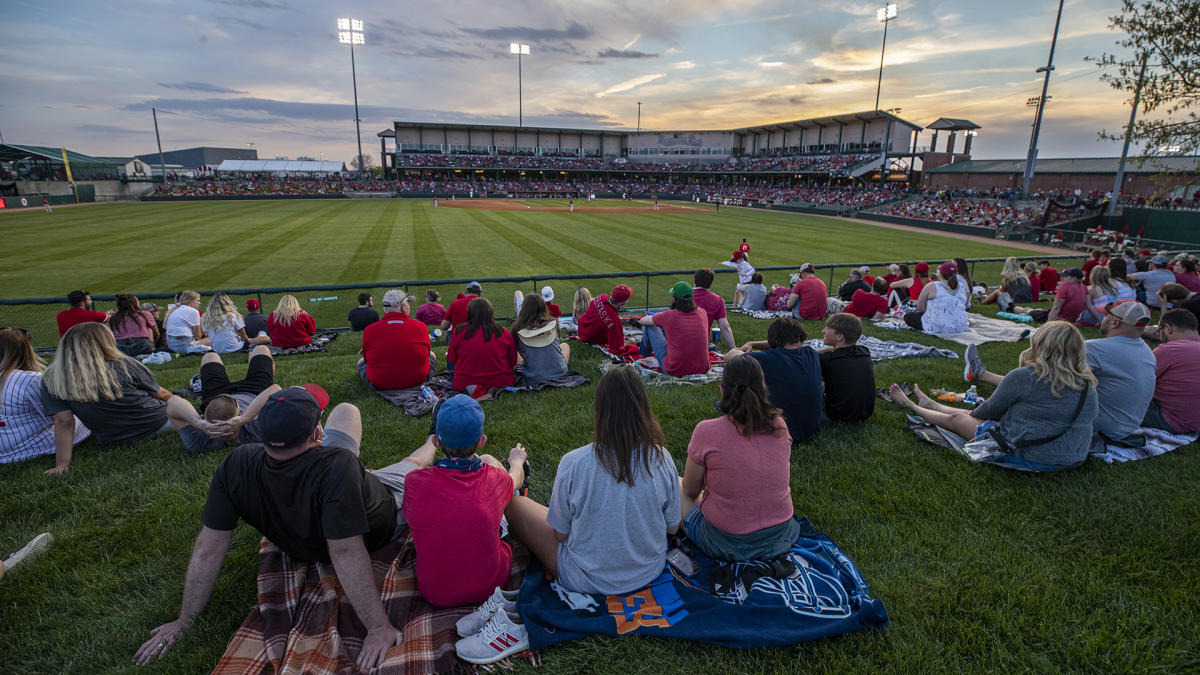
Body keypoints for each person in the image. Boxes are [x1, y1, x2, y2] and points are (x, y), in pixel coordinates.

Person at [134, 390, 439, 671]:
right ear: (317, 434)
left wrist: (185, 621)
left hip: (327, 498)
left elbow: (208, 548)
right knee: (410, 464)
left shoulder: (238, 464)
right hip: (383, 508)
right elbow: (345, 551)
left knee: (346, 411)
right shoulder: (338, 465)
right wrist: (377, 627)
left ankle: (407, 456)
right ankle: (433, 443)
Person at [503, 366, 680, 594]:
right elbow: (672, 526)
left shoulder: (574, 462)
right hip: (648, 572)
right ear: (643, 408)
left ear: (600, 410)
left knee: (516, 504)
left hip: (585, 579)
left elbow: (560, 535)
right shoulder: (661, 458)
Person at [892, 321, 1098, 471]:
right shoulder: (1087, 382)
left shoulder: (1025, 377)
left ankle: (913, 405)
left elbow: (985, 412)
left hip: (1030, 454)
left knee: (960, 419)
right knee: (974, 415)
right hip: (1074, 456)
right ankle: (931, 405)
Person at [403, 395, 526, 607]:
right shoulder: (493, 479)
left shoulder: (414, 483)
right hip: (491, 584)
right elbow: (516, 478)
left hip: (435, 593)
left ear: (436, 441)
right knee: (490, 463)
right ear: (481, 440)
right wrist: (517, 461)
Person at [681, 356, 799, 561]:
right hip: (781, 534)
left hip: (726, 542)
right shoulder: (779, 424)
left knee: (675, 486)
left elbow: (691, 490)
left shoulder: (707, 431)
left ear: (722, 389)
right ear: (763, 388)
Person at [39, 323, 174, 475]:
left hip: (113, 438)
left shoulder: (52, 378)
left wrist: (62, 464)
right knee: (178, 406)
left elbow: (64, 422)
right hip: (158, 423)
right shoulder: (125, 364)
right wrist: (179, 404)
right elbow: (162, 394)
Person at [725, 317, 823, 443]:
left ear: (774, 340)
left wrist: (744, 347)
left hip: (780, 429)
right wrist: (753, 344)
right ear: (800, 336)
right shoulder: (811, 354)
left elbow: (729, 357)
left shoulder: (766, 358)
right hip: (810, 428)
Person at [1, 328, 89, 464]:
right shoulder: (31, 380)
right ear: (27, 350)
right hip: (19, 447)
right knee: (81, 415)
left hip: (6, 442)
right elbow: (60, 419)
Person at [1077, 301, 1155, 450]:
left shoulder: (1094, 348)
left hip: (1101, 429)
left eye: (1106, 315)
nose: (1103, 318)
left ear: (1115, 322)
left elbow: (1058, 381)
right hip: (1127, 427)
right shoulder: (1147, 351)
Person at [359, 290, 434, 391]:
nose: (408, 306)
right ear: (403, 307)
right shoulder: (420, 327)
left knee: (361, 362)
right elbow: (426, 354)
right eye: (407, 302)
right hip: (416, 380)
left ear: (385, 309)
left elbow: (367, 360)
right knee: (432, 355)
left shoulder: (370, 330)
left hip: (380, 382)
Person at [1141, 309, 1200, 434]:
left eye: (1159, 332)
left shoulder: (1169, 350)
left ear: (1168, 328)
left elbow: (1137, 381)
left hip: (1173, 422)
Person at [634, 282, 710, 377]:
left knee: (650, 327)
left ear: (674, 299)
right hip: (702, 368)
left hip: (674, 371)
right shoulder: (702, 312)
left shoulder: (669, 315)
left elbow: (644, 321)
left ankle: (644, 353)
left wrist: (637, 321)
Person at [447, 298, 517, 398]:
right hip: (500, 382)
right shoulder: (503, 332)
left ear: (470, 313)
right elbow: (513, 363)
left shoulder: (459, 332)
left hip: (464, 384)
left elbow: (451, 360)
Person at [816, 313, 875, 423]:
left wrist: (816, 353)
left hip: (837, 415)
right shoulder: (864, 352)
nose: (823, 331)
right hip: (865, 412)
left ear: (840, 337)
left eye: (828, 329)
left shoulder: (827, 360)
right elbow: (833, 351)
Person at [511, 294, 570, 384]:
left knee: (514, 354)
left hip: (533, 375)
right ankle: (557, 366)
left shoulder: (517, 328)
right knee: (565, 346)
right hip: (559, 372)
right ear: (543, 307)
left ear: (524, 309)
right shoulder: (553, 322)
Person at [903, 261, 968, 334]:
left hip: (938, 327)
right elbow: (963, 306)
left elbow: (920, 308)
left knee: (909, 316)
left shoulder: (932, 286)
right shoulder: (962, 286)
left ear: (940, 274)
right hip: (961, 326)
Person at [1010, 268, 1088, 323]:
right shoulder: (1084, 287)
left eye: (1064, 276)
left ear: (1072, 278)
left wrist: (1048, 325)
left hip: (1059, 318)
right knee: (1035, 310)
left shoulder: (1065, 286)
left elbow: (1056, 308)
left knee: (1028, 311)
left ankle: (1011, 307)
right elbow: (1089, 306)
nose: (1060, 278)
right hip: (1071, 320)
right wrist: (1098, 321)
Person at [202, 293, 271, 354]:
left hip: (217, 349)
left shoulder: (206, 318)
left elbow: (207, 335)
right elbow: (244, 338)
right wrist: (251, 340)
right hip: (236, 348)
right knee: (266, 338)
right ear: (227, 303)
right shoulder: (233, 315)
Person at [577, 284, 634, 353]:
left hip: (581, 330)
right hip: (590, 339)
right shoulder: (615, 320)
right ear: (622, 304)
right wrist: (631, 342)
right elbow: (616, 349)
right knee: (633, 343)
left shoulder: (602, 297)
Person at [691, 268, 736, 350]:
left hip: (679, 343)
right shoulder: (717, 300)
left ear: (694, 280)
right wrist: (734, 349)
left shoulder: (684, 295)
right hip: (702, 344)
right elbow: (724, 326)